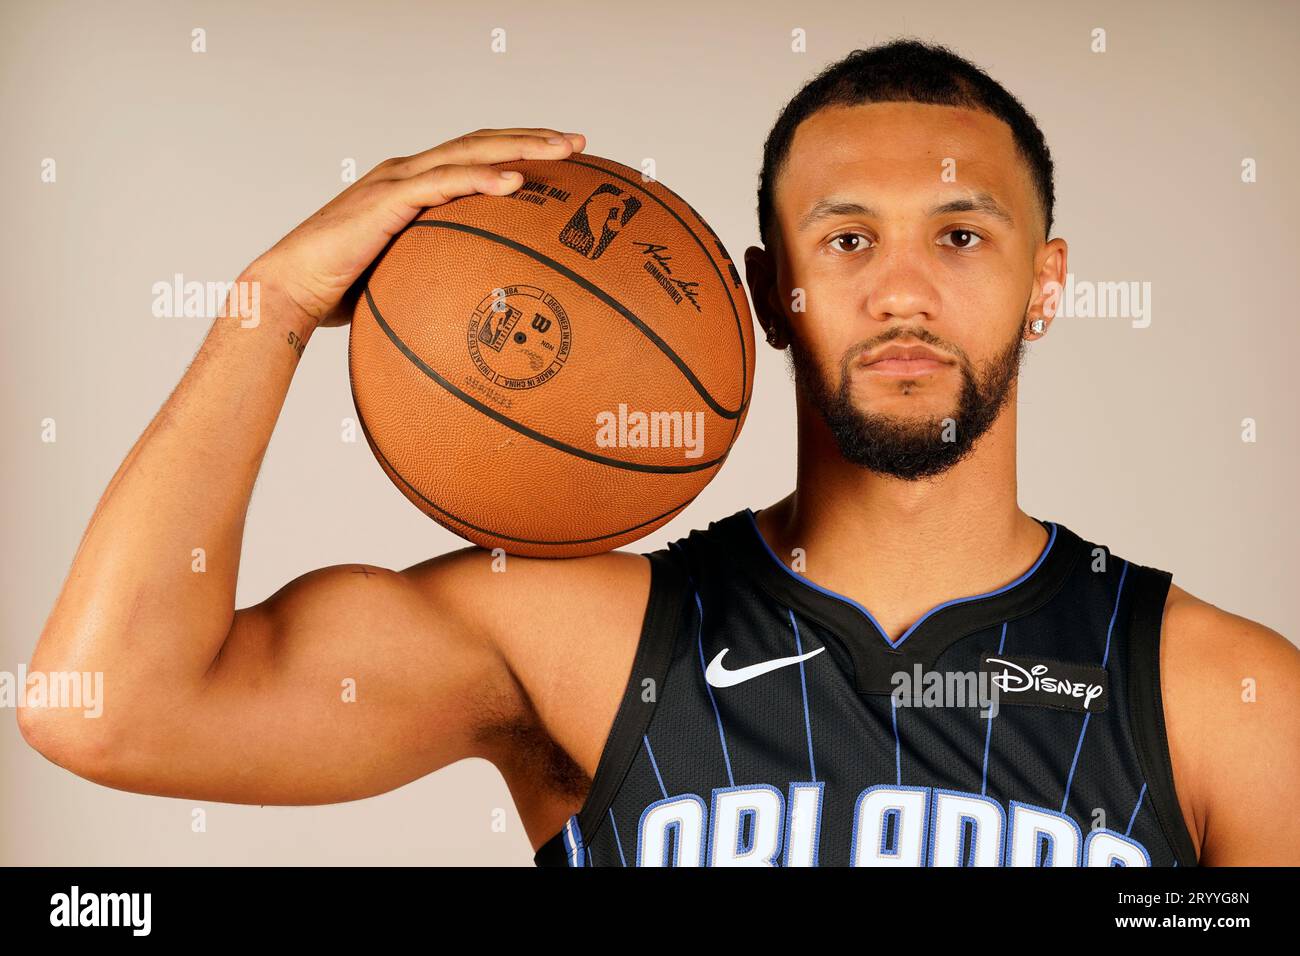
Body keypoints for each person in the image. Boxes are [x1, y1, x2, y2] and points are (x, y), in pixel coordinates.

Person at [22, 40, 1299, 867]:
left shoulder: (1222, 697)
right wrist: (272, 307)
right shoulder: (574, 639)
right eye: (847, 240)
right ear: (766, 290)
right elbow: (107, 706)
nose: (903, 291)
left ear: (1046, 283)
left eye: (960, 237)